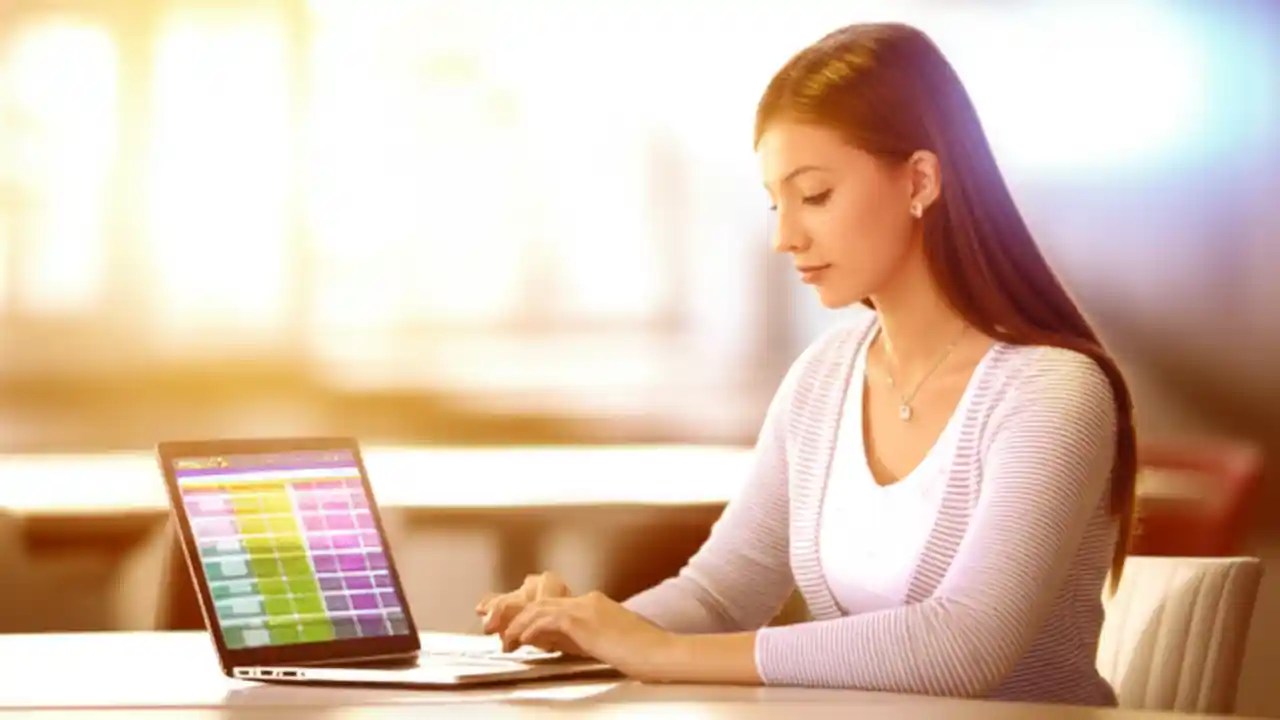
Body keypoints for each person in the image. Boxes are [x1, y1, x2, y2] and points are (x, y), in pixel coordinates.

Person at [474, 21, 1136, 706]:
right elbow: (721, 594)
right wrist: (590, 628)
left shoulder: (1054, 393)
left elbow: (964, 646)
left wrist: (659, 652)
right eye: (774, 203)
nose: (784, 237)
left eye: (814, 195)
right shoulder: (826, 375)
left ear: (920, 179)